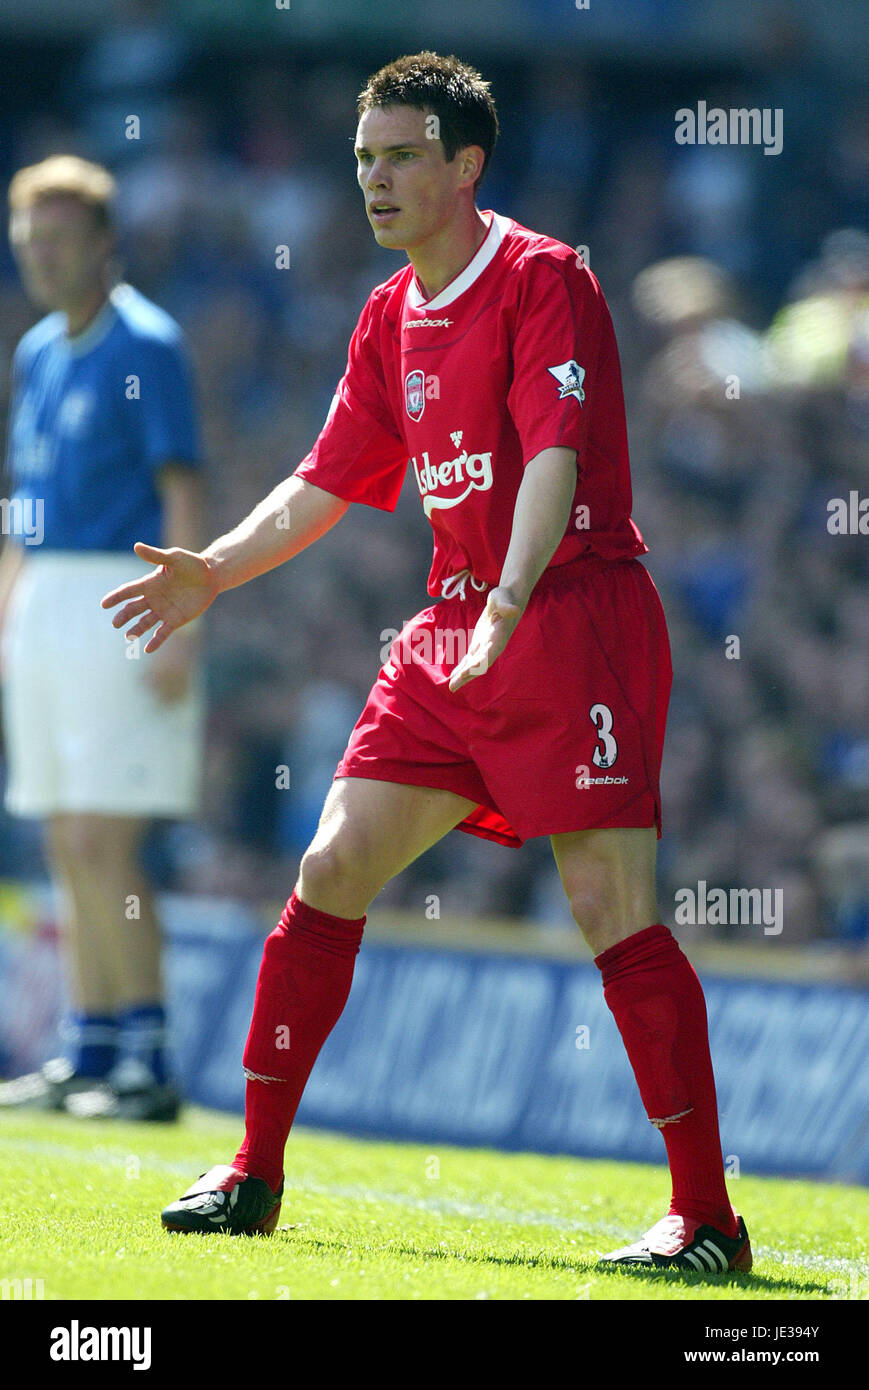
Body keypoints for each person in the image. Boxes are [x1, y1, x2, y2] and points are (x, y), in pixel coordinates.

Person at [102, 53, 750, 1271]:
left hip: (568, 611)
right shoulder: (386, 314)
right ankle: (252, 1170)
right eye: (363, 158)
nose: (376, 178)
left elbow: (553, 459)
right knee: (333, 859)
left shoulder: (544, 277)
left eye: (401, 156)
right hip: (454, 626)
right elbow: (321, 481)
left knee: (607, 903)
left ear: (466, 165)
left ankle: (705, 1214)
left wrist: (507, 603)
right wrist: (212, 569)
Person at [0, 155, 204, 1122]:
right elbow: (22, 502)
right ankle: (88, 1046)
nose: (40, 257)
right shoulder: (37, 350)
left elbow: (181, 484)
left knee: (104, 834)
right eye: (27, 239)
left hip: (123, 594)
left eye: (58, 239)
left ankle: (146, 1053)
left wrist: (182, 619)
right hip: (45, 599)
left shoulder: (145, 344)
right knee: (59, 837)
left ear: (103, 243)